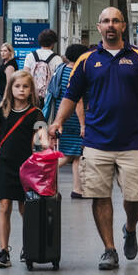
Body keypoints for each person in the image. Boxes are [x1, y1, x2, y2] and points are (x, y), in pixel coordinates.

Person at [50, 7, 138, 271]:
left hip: (133, 141)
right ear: (99, 26)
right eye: (105, 21)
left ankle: (130, 227)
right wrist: (57, 121)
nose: (110, 25)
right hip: (96, 140)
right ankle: (109, 249)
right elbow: (70, 96)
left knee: (137, 197)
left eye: (115, 21)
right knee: (99, 195)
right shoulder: (87, 60)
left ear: (123, 26)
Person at [0, 70, 44, 267]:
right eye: (17, 86)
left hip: (26, 166)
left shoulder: (36, 113)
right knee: (4, 206)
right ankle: (4, 251)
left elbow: (42, 141)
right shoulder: (2, 111)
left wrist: (46, 145)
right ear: (10, 89)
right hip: (5, 164)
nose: (21, 90)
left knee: (24, 208)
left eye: (25, 87)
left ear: (31, 91)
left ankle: (28, 246)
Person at [47, 44, 88, 199]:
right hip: (73, 119)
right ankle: (44, 172)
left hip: (62, 115)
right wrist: (83, 124)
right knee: (72, 153)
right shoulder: (75, 73)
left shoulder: (61, 69)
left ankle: (78, 189)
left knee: (75, 153)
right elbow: (77, 102)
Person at [27, 28, 64, 102]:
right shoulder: (57, 59)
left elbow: (25, 75)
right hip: (49, 97)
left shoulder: (30, 56)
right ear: (53, 43)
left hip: (32, 95)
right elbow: (59, 80)